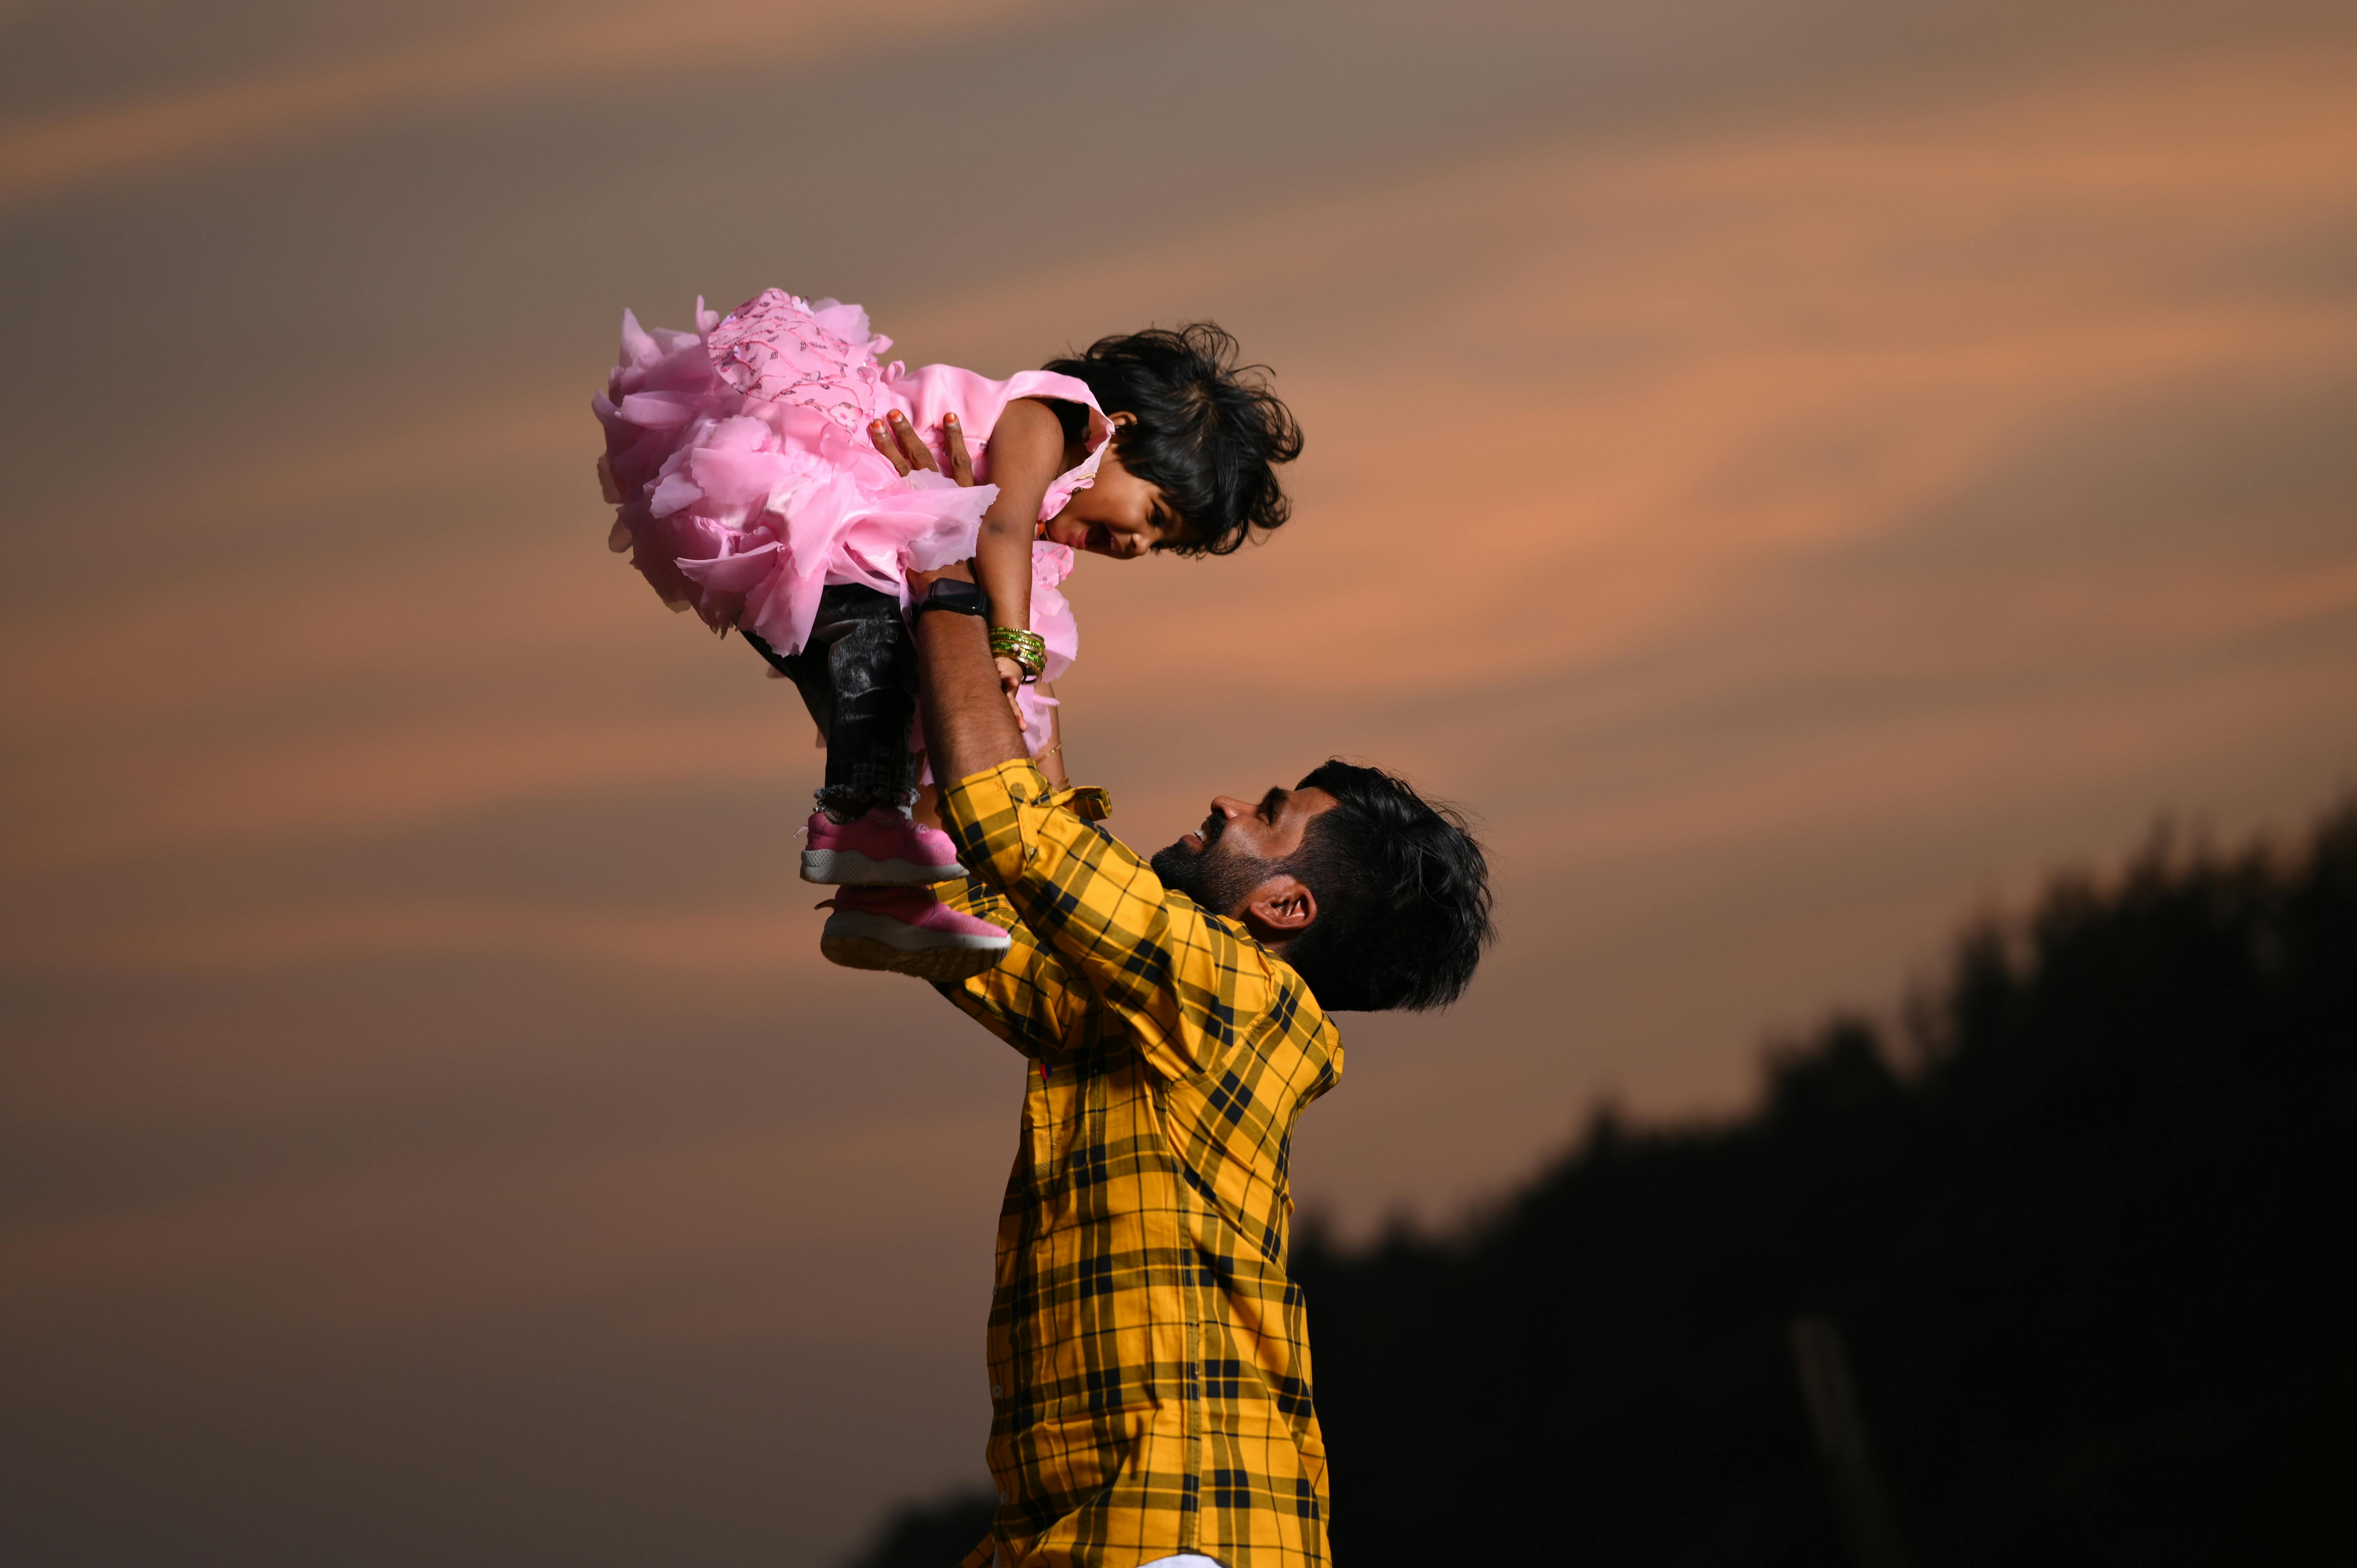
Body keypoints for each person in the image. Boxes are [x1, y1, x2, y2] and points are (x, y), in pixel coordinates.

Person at [895, 423, 1494, 1564]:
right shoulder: (1145, 1021)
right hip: (1086, 1527)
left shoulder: (1239, 1000)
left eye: (1266, 816)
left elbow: (1013, 832)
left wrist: (942, 562)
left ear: (1283, 909)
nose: (1226, 807)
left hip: (1185, 1531)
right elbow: (1001, 906)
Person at [593, 291, 1301, 975]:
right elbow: (996, 525)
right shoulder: (1053, 417)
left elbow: (1030, 689)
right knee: (893, 662)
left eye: (1162, 544)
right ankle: (860, 825)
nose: (1141, 545)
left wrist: (1056, 794)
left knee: (933, 718)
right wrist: (1014, 646)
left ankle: (883, 898)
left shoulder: (1039, 550)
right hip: (824, 484)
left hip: (884, 544)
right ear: (1117, 431)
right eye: (1156, 514)